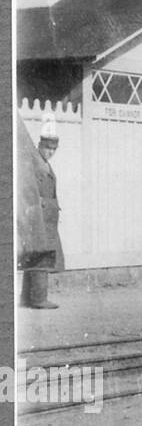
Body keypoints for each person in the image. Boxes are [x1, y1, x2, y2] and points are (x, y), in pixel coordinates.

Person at [16, 120, 63, 310]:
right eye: (47, 147)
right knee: (40, 255)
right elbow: (28, 188)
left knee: (37, 254)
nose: (50, 151)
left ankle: (28, 298)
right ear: (40, 145)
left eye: (54, 148)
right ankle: (38, 299)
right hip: (39, 215)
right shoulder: (35, 163)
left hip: (47, 216)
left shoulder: (43, 163)